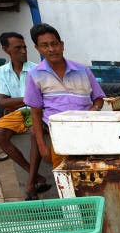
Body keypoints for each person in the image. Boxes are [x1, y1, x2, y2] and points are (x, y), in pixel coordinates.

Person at [23, 23, 105, 198]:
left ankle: (95, 209)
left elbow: (98, 98)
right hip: (59, 137)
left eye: (54, 44)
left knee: (94, 179)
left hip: (88, 131)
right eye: (45, 45)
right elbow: (35, 113)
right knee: (66, 183)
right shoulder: (35, 75)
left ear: (62, 45)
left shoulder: (82, 70)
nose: (51, 49)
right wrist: (42, 146)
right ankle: (72, 212)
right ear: (37, 48)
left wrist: (92, 111)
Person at [0, 32, 50, 199]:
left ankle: (30, 183)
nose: (23, 51)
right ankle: (34, 176)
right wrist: (29, 98)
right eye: (18, 48)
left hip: (36, 110)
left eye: (25, 47)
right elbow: (3, 102)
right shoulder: (2, 71)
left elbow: (42, 100)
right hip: (19, 112)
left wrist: (24, 101)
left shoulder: (37, 69)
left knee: (35, 133)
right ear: (6, 50)